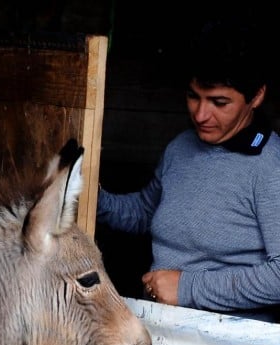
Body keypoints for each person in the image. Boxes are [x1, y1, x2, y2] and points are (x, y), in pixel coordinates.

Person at [97, 17, 280, 322]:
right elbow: (145, 213)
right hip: (160, 327)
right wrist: (93, 199)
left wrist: (187, 287)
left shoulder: (270, 168)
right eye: (193, 96)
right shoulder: (181, 147)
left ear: (256, 97)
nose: (201, 114)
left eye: (219, 102)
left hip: (234, 341)